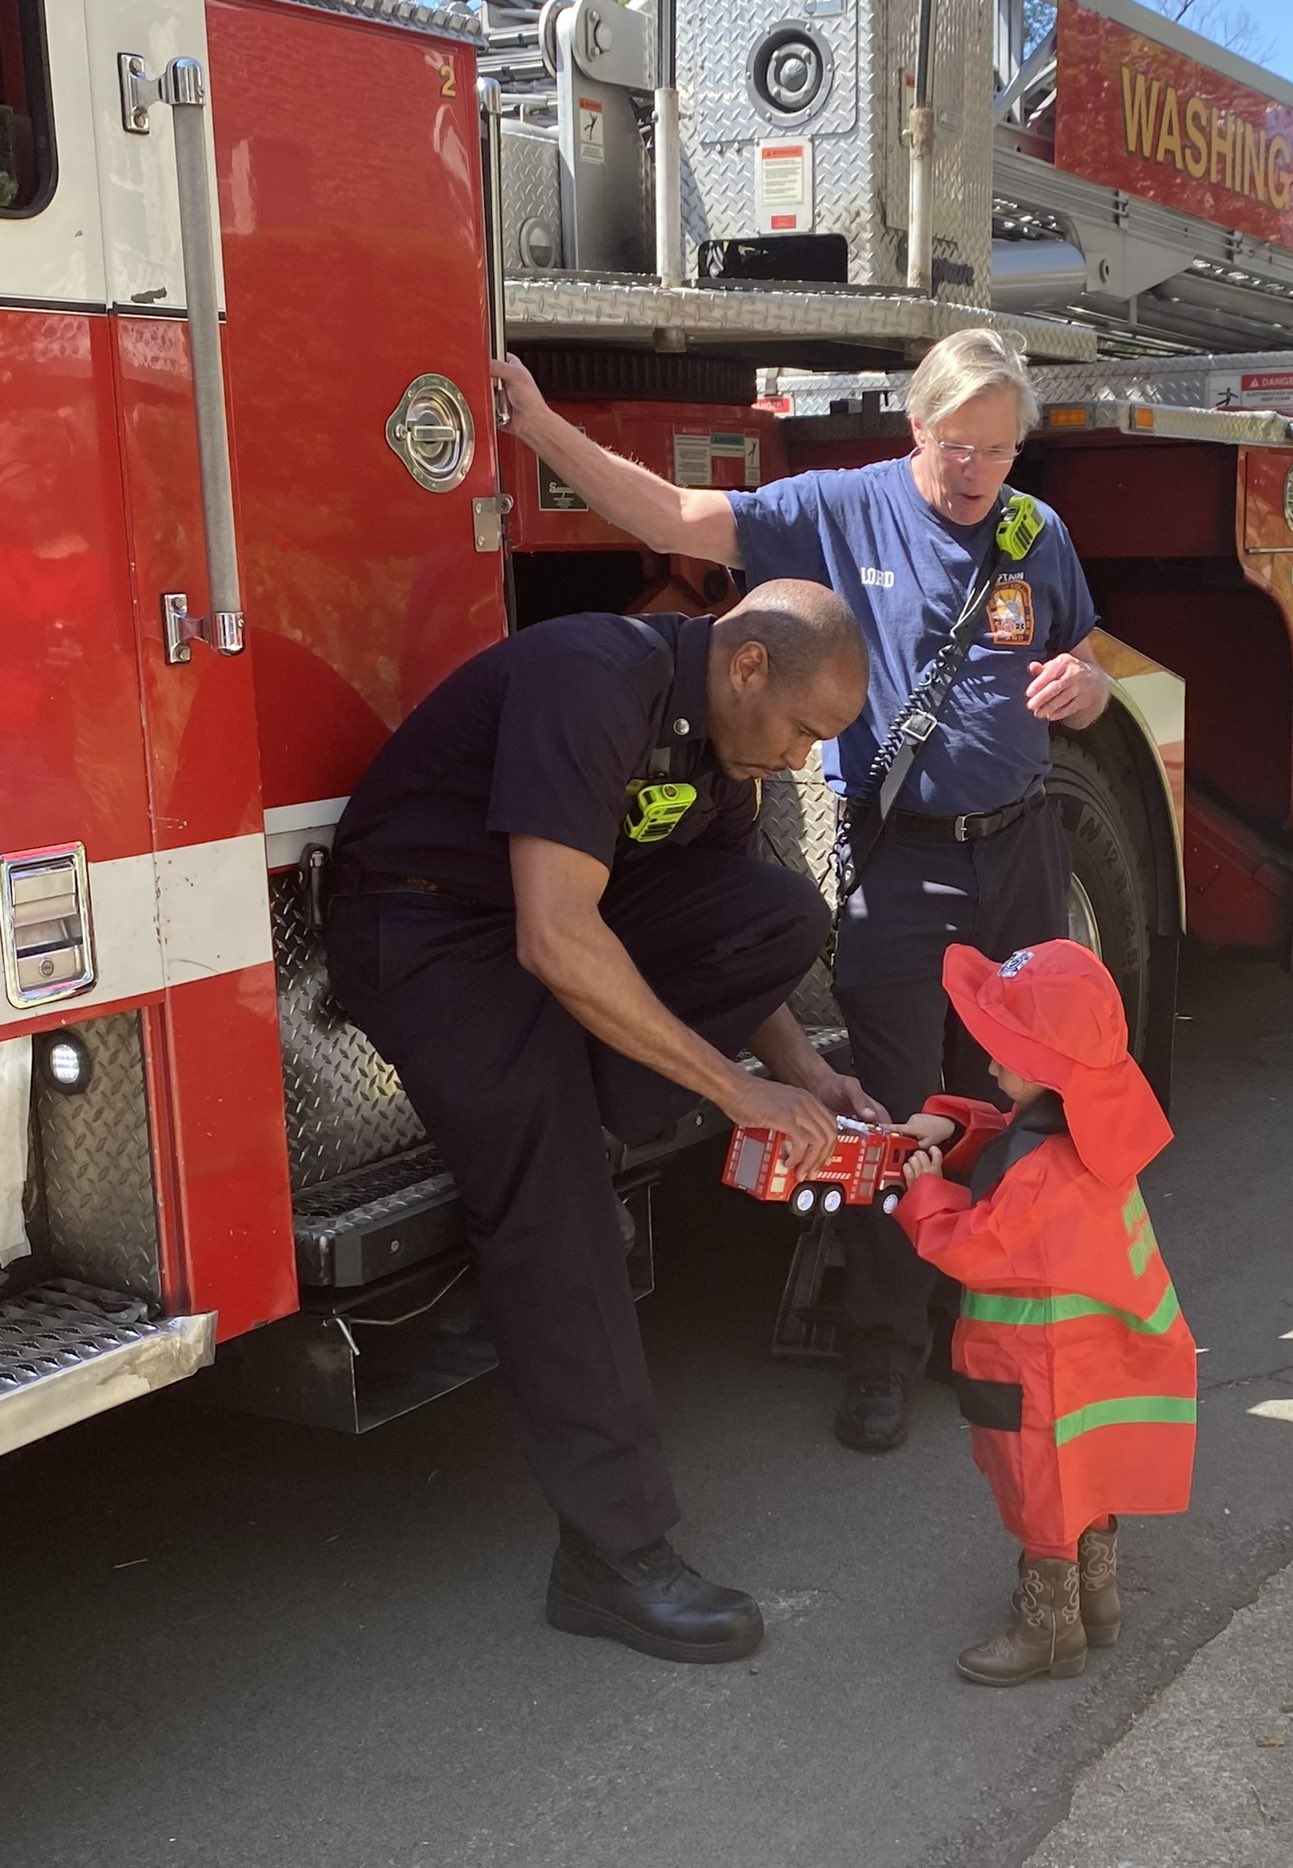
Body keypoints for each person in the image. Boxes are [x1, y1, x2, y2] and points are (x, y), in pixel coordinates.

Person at [491, 328, 1110, 1456]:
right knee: (897, 1109)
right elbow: (672, 517)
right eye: (958, 447)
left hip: (1023, 847)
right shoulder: (841, 508)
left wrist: (1089, 686)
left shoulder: (1037, 532)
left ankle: (990, 1337)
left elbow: (1089, 659)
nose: (977, 474)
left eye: (999, 452)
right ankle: (883, 1349)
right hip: (902, 861)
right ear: (916, 426)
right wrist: (537, 427)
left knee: (1015, 1103)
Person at [325, 582, 883, 1664]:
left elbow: (713, 919)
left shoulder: (722, 748)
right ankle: (610, 1557)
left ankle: (578, 1103)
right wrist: (733, 1091)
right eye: (802, 731)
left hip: (545, 928)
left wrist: (806, 1073)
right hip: (428, 929)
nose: (801, 760)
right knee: (558, 1206)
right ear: (747, 667)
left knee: (780, 913)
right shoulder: (593, 680)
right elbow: (553, 937)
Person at [892, 940, 1194, 1685]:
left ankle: (1048, 1630)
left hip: (1036, 1363)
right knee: (1087, 1468)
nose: (991, 1065)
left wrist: (924, 1192)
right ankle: (1098, 1597)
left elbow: (974, 1243)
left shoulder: (1039, 1172)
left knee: (1041, 1483)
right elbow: (1017, 1137)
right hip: (1103, 1353)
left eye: (1005, 1052)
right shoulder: (1093, 1123)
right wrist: (957, 1129)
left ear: (1049, 1069)